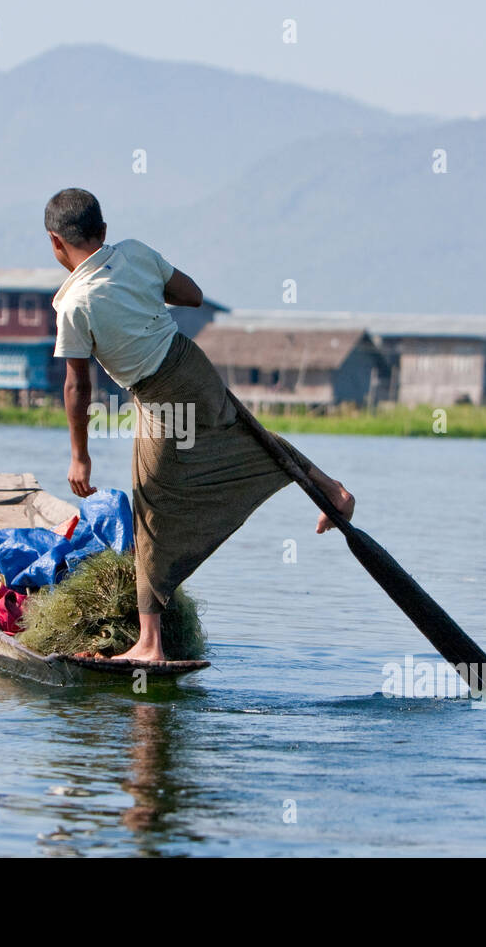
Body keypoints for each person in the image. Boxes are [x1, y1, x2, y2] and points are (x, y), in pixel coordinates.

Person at [45, 188, 354, 663]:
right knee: (250, 437)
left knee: (151, 503)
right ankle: (332, 491)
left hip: (160, 393)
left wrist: (79, 455)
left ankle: (150, 645)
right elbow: (191, 295)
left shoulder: (74, 305)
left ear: (55, 243)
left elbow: (76, 387)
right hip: (192, 364)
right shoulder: (134, 253)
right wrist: (142, 288)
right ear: (103, 232)